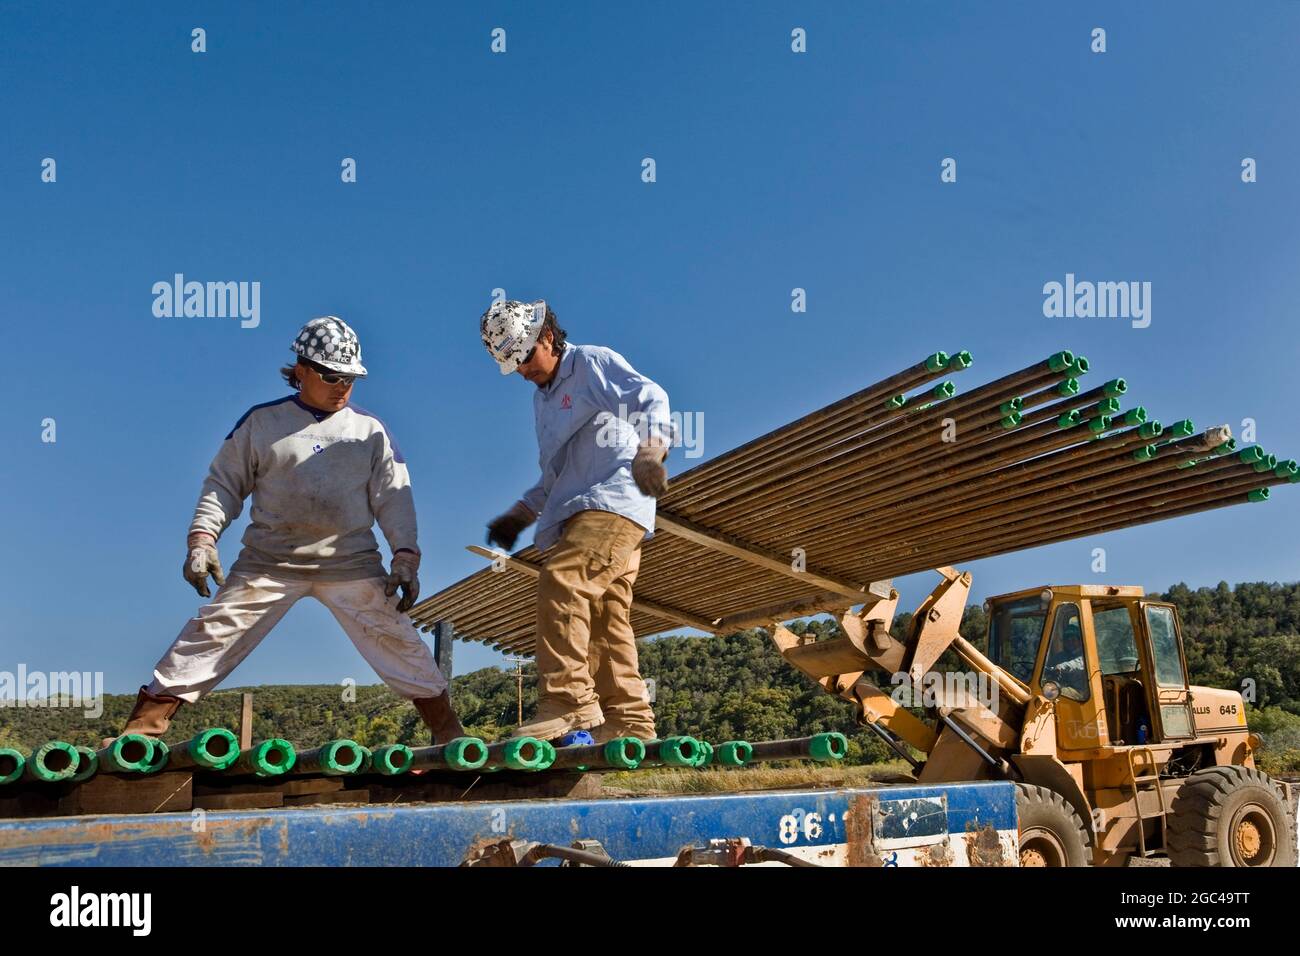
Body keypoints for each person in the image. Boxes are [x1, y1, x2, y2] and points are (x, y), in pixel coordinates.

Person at [105, 316, 464, 745]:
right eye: (331, 376)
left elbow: (395, 498)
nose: (342, 387)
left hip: (349, 563)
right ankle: (142, 731)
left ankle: (448, 734)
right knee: (214, 632)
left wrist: (405, 557)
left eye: (350, 378)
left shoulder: (370, 432)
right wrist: (202, 539)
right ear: (301, 370)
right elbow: (223, 485)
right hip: (269, 561)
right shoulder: (261, 424)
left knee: (397, 641)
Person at [480, 299, 673, 741]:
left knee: (563, 581)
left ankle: (567, 700)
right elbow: (555, 473)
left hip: (612, 502)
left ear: (547, 336)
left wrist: (651, 450)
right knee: (607, 616)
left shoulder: (590, 363)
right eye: (514, 366)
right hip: (580, 510)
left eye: (526, 356)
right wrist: (521, 513)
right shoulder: (542, 401)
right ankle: (629, 722)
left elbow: (651, 397)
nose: (524, 370)